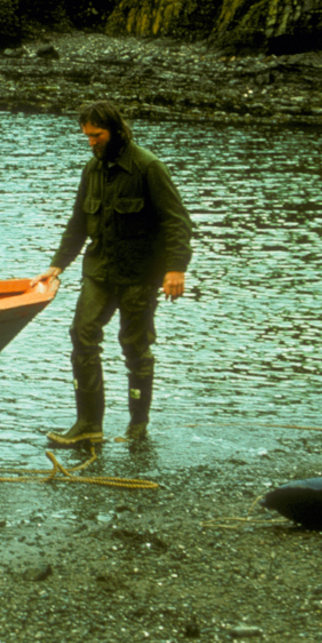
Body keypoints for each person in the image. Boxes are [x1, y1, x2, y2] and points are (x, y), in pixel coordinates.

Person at [33, 101, 192, 446]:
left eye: (97, 135)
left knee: (135, 347)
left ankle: (138, 427)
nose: (91, 142)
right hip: (100, 272)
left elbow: (177, 222)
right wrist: (57, 264)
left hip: (140, 275)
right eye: (87, 136)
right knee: (82, 335)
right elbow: (78, 223)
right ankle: (89, 425)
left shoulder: (149, 168)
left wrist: (176, 268)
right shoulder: (93, 170)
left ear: (116, 130)